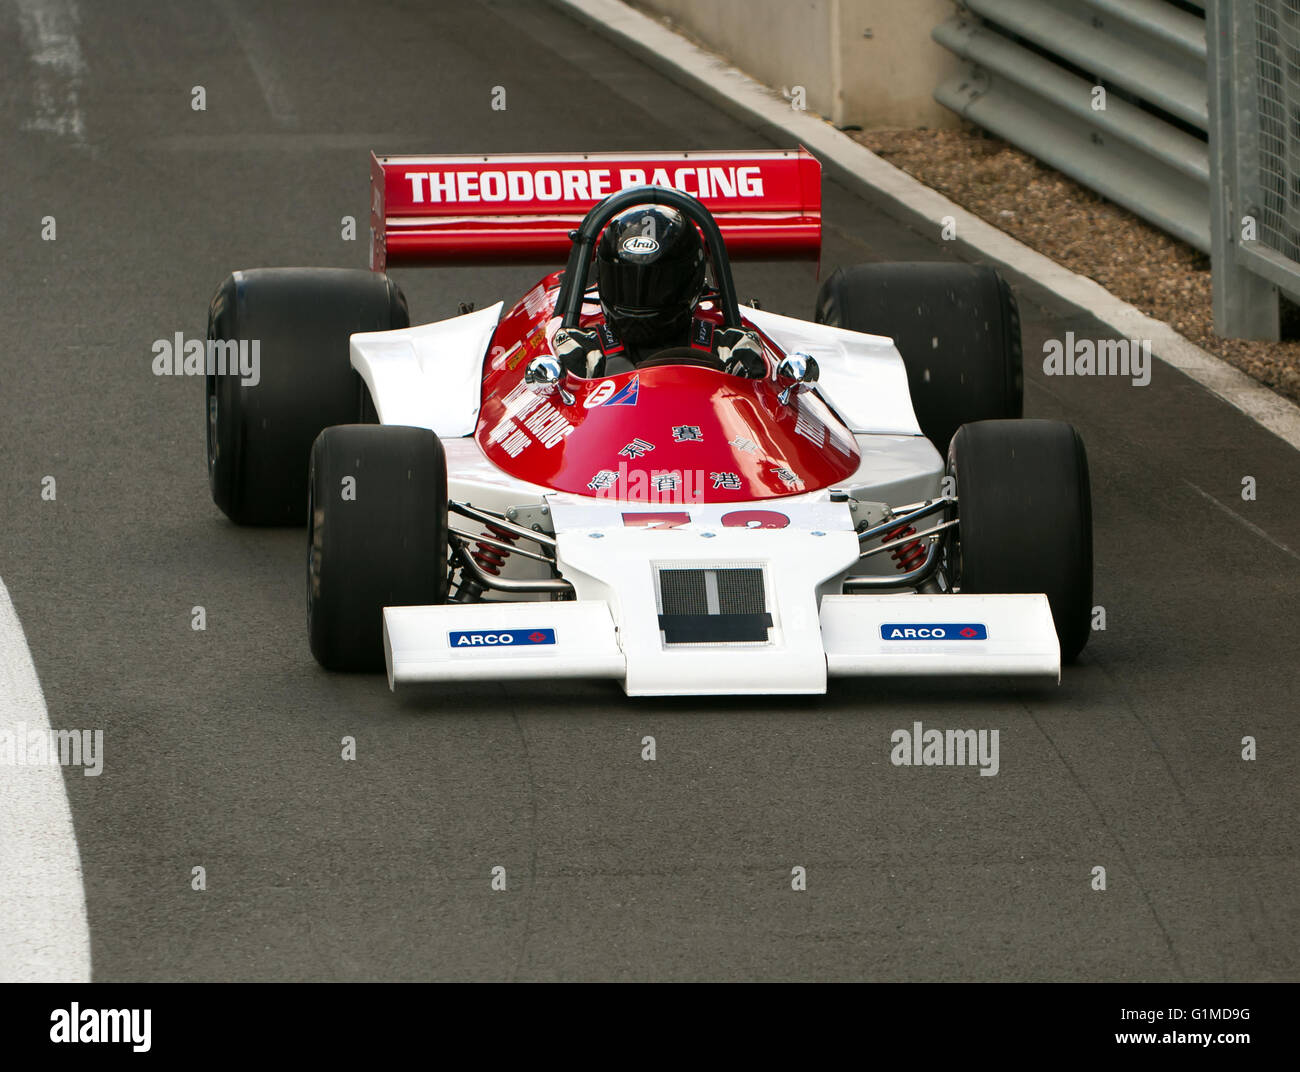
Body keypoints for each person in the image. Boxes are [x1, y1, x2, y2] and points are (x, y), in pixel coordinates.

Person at [553, 204, 766, 379]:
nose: (639, 295)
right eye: (626, 282)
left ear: (691, 283)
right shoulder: (582, 349)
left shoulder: (732, 346)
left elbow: (753, 399)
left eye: (658, 285)